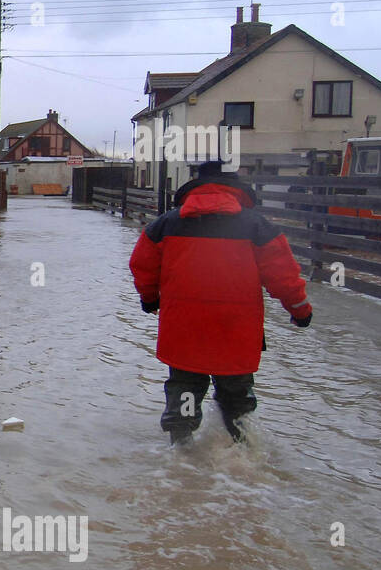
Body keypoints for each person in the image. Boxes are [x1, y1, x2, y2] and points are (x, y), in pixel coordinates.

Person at [128, 161, 313, 444]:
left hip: (184, 328)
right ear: (237, 189)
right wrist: (300, 311)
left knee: (186, 387)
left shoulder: (166, 223)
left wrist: (150, 299)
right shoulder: (257, 226)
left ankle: (181, 450)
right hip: (236, 329)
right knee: (236, 393)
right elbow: (283, 275)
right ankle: (242, 455)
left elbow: (142, 266)